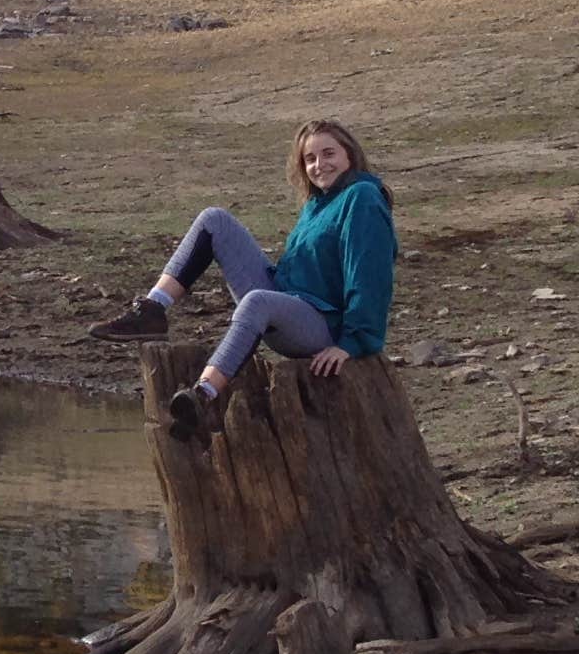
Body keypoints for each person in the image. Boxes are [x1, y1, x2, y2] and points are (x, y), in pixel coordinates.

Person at [86, 120, 395, 441]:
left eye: (329, 154)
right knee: (214, 220)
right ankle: (152, 311)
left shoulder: (362, 197)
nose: (319, 165)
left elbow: (370, 275)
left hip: (324, 325)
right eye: (310, 158)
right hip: (290, 300)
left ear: (350, 155)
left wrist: (351, 343)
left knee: (257, 302)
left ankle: (203, 396)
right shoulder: (319, 202)